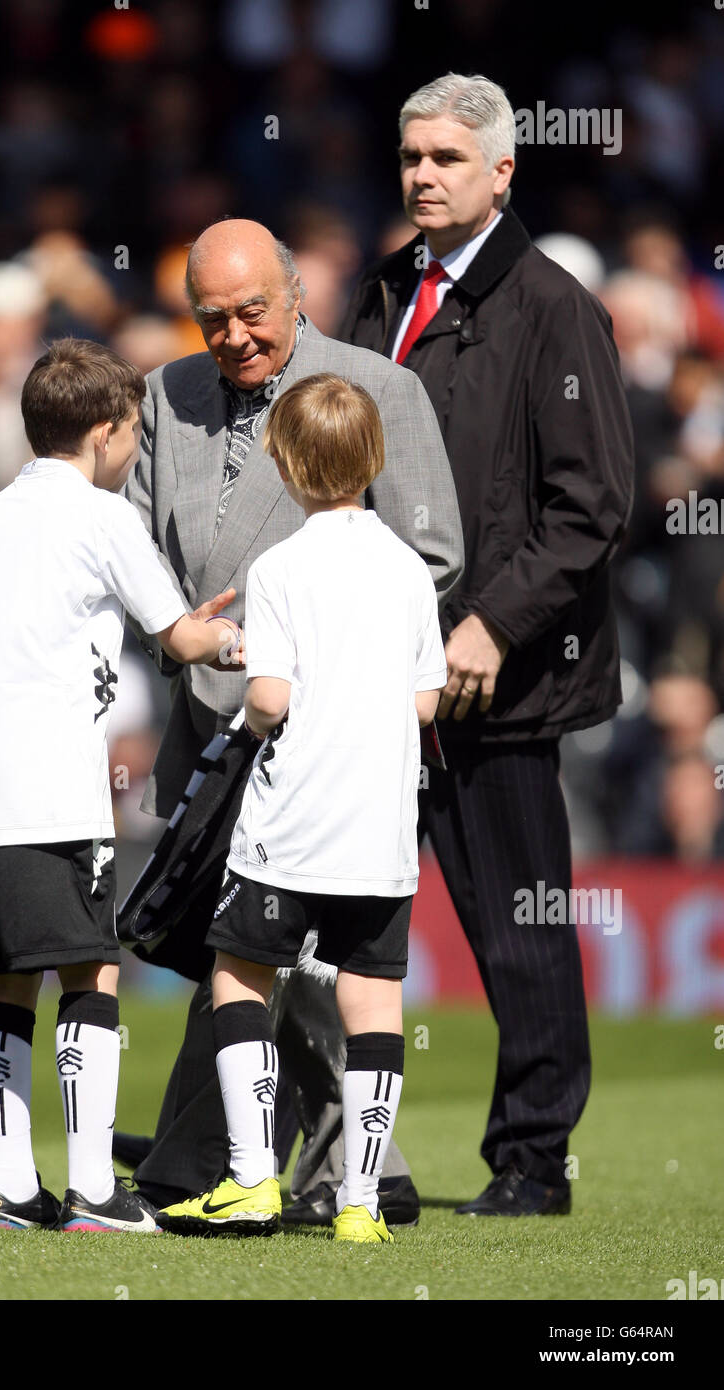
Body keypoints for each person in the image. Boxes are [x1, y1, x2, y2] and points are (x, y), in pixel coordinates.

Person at [118, 217, 463, 1220]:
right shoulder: (164, 393)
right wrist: (174, 636)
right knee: (238, 952)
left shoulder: (375, 389)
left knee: (294, 962)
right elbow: (140, 559)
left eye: (251, 312)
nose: (231, 334)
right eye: (210, 318)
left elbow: (433, 556)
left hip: (317, 737)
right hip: (205, 731)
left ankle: (329, 1170)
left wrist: (312, 659)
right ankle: (246, 1165)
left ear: (297, 293)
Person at [338, 73, 634, 1215]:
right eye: (410, 156)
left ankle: (531, 1160)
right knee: (328, 920)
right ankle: (335, 1148)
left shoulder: (554, 305)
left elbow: (591, 504)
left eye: (445, 160)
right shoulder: (384, 288)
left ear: (501, 172)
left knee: (518, 930)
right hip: (372, 673)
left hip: (495, 685)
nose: (420, 175)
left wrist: (490, 625)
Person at [0, 337, 243, 1233]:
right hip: (56, 791)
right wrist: (238, 636)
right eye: (134, 435)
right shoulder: (103, 517)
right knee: (91, 966)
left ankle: (10, 1188)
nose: (135, 452)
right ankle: (96, 1191)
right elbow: (181, 639)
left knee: (4, 978)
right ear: (107, 432)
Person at [156, 374, 445, 1243]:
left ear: (283, 462)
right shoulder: (406, 568)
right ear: (374, 459)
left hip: (289, 825)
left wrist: (248, 709)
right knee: (373, 997)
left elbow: (273, 700)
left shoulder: (279, 567)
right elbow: (427, 703)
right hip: (380, 829)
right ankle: (360, 1199)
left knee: (241, 975)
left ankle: (252, 1181)